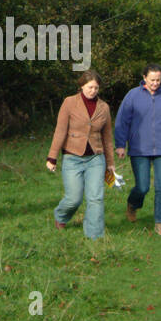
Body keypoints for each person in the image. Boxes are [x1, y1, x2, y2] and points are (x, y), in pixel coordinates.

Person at [114, 63, 161, 237]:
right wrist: (120, 144)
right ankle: (133, 204)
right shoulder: (132, 96)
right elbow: (122, 121)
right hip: (139, 148)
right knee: (143, 186)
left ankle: (160, 223)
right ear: (144, 78)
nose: (155, 83)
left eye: (158, 80)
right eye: (152, 79)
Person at [46, 69, 116, 239]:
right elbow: (60, 130)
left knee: (96, 198)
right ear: (82, 86)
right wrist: (52, 157)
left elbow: (107, 137)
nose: (93, 91)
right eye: (90, 87)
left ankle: (95, 236)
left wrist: (110, 163)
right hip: (72, 157)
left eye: (96, 88)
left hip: (95, 158)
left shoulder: (104, 107)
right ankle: (61, 216)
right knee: (74, 198)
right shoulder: (69, 103)